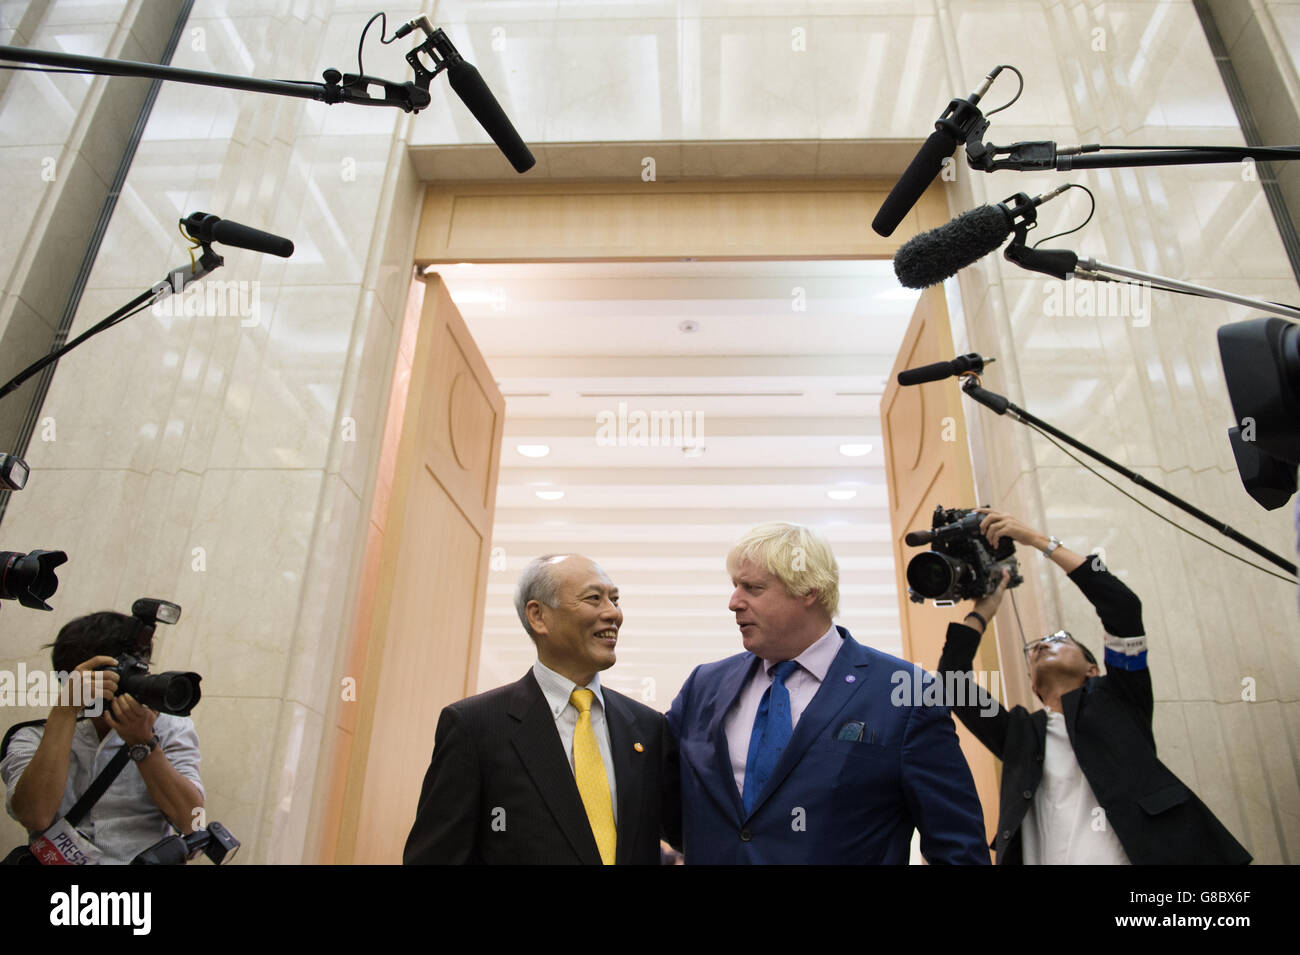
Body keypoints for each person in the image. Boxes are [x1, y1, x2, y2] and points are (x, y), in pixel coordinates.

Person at [936, 508, 1252, 864]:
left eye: (1058, 639)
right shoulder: (1019, 734)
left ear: (1092, 669)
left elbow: (1122, 604)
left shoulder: (1118, 696)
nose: (1040, 645)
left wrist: (1038, 540)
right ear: (1034, 688)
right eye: (1033, 650)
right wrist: (985, 609)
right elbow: (952, 681)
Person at [666, 522, 988, 864]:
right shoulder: (704, 686)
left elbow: (958, 846)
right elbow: (662, 802)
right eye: (734, 586)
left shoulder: (907, 694)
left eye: (752, 588)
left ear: (808, 591)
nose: (734, 602)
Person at [404, 554, 676, 864]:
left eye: (615, 599)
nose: (613, 613)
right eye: (594, 599)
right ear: (538, 616)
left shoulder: (647, 727)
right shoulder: (475, 727)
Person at [2, 611, 205, 865]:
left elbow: (192, 822)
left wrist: (144, 745)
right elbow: (35, 815)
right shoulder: (31, 736)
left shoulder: (169, 728)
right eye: (121, 671)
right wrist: (66, 711)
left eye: (140, 667)